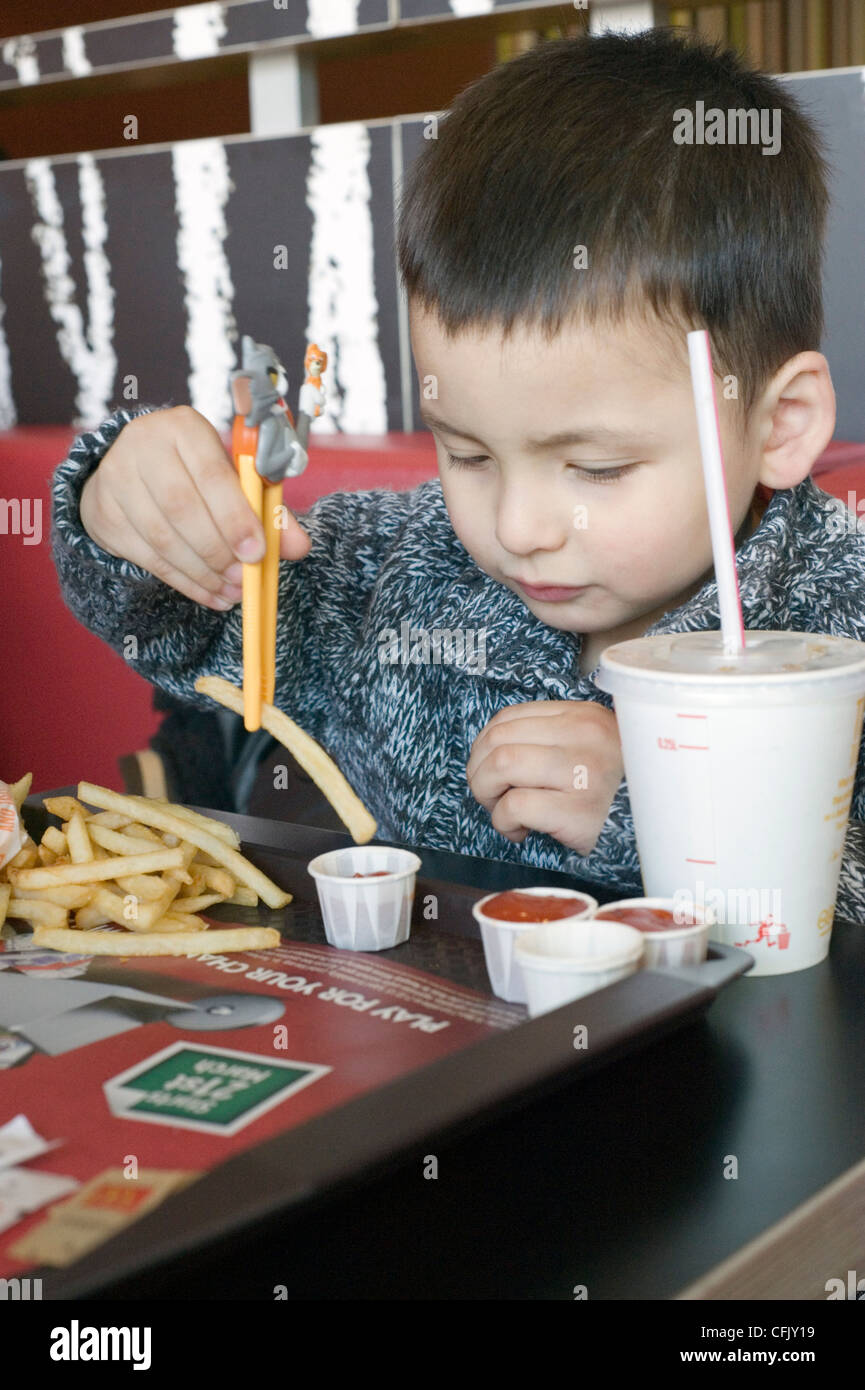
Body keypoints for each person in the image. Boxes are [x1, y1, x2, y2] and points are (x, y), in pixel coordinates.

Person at [51, 29, 865, 920]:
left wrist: (666, 809)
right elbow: (184, 637)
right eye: (467, 453)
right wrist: (123, 507)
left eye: (595, 468)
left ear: (778, 424)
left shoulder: (836, 618)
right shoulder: (393, 566)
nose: (516, 526)